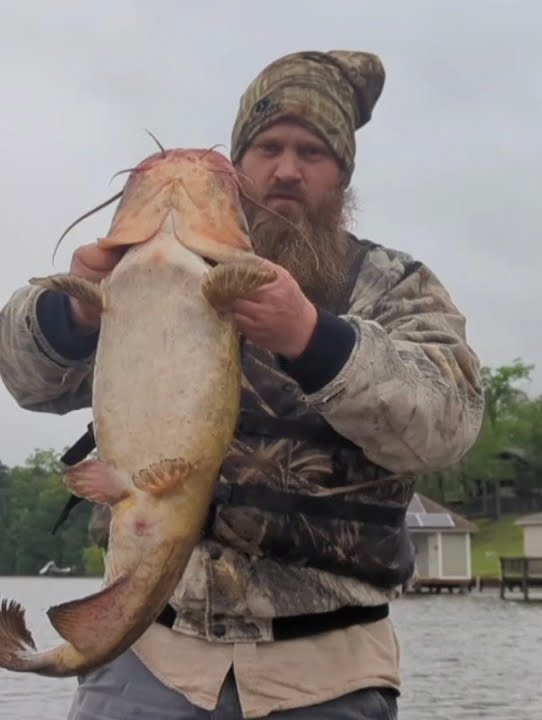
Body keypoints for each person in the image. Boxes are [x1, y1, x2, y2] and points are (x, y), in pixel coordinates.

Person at [0, 49, 485, 719]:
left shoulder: (395, 286)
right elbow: (27, 378)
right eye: (268, 147)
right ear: (237, 166)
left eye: (312, 151)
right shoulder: (154, 268)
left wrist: (311, 338)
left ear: (343, 173)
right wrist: (77, 307)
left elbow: (448, 423)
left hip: (327, 681)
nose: (287, 169)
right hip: (148, 657)